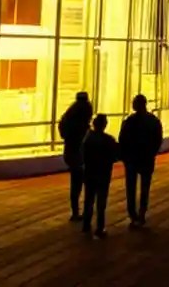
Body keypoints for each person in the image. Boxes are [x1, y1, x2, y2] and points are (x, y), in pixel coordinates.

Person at [118, 94, 163, 227]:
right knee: (145, 187)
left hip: (132, 159)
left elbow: (122, 139)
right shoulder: (153, 121)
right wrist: (152, 153)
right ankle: (142, 213)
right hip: (146, 158)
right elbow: (158, 139)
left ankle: (133, 214)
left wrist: (124, 155)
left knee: (131, 188)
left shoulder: (129, 121)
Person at [81, 114, 120, 238]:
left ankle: (86, 224)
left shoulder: (88, 139)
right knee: (101, 201)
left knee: (89, 198)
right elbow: (115, 155)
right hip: (103, 173)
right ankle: (100, 226)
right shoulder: (109, 140)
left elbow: (83, 155)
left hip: (90, 172)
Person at [57, 91, 93, 221]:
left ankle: (75, 211)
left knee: (75, 184)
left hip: (71, 152)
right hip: (82, 155)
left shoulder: (69, 116)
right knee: (87, 184)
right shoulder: (83, 120)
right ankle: (86, 211)